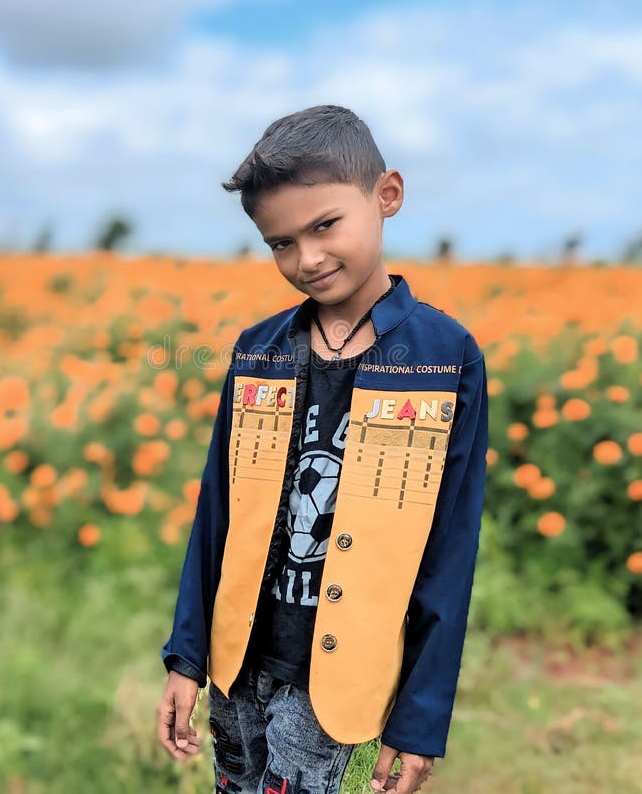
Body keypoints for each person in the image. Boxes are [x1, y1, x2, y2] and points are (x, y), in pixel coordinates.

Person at [156, 105, 489, 794]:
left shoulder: (443, 358)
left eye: (324, 226)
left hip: (345, 691)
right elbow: (216, 513)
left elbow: (449, 549)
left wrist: (420, 720)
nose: (305, 259)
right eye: (280, 243)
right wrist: (186, 657)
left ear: (387, 196)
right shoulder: (258, 351)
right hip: (239, 665)